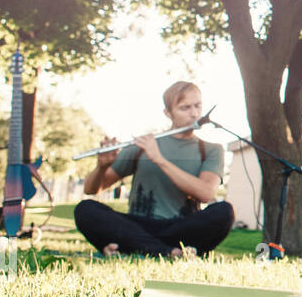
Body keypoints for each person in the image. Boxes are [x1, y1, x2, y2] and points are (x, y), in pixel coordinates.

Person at [74, 81, 233, 258]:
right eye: (185, 108)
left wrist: (159, 159)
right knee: (85, 209)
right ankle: (169, 252)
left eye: (198, 106)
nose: (194, 113)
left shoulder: (211, 150)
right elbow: (91, 189)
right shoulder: (144, 145)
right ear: (168, 113)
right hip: (138, 225)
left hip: (179, 228)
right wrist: (101, 167)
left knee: (225, 212)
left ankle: (133, 247)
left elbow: (205, 193)